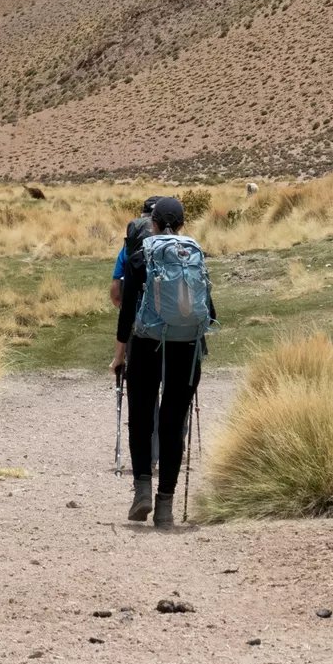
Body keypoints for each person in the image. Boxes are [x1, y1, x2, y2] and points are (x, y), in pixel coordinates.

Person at [111, 196, 216, 526]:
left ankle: (142, 489)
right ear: (183, 224)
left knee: (141, 419)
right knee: (173, 423)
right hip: (186, 348)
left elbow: (127, 311)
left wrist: (119, 355)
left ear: (152, 223)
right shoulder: (193, 256)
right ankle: (166, 505)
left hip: (146, 346)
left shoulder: (140, 256)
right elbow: (209, 312)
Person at [110, 196, 163, 307]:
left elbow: (116, 288)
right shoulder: (177, 247)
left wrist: (124, 309)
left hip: (139, 310)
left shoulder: (130, 249)